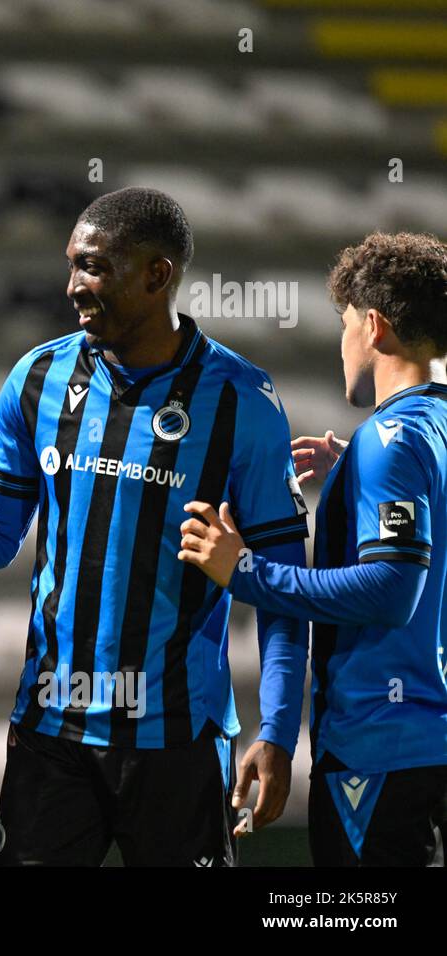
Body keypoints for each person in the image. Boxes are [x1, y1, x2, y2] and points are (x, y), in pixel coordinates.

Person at [0, 187, 311, 866]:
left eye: (94, 268)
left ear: (157, 274)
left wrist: (280, 732)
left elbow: (284, 591)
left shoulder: (241, 400)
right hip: (51, 731)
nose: (73, 286)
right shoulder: (38, 376)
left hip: (177, 738)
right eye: (72, 265)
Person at [179, 231, 447, 866]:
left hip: (382, 751)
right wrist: (355, 470)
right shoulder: (410, 441)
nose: (343, 341)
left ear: (375, 327)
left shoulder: (392, 440)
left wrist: (241, 570)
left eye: (346, 323)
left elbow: (389, 591)